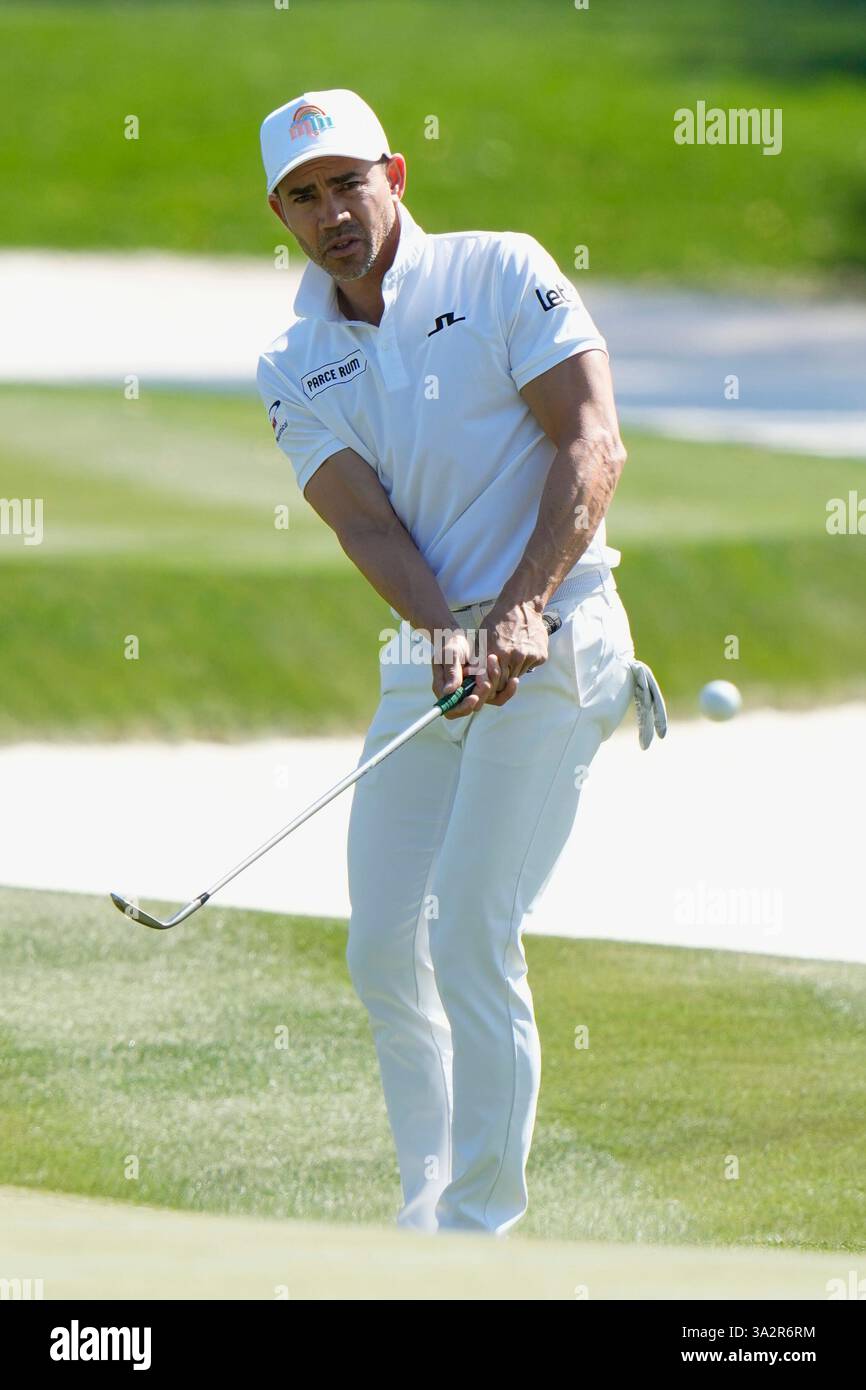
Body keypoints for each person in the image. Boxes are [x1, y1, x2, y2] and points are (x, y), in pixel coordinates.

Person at [257, 89, 666, 1236]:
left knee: (467, 925)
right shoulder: (293, 359)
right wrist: (444, 632)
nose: (333, 209)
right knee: (384, 940)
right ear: (280, 214)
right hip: (430, 651)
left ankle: (477, 1232)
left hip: (561, 632)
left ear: (392, 173)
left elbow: (592, 441)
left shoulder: (497, 272)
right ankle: (422, 1210)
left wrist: (523, 605)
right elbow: (366, 525)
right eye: (304, 194)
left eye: (348, 181)